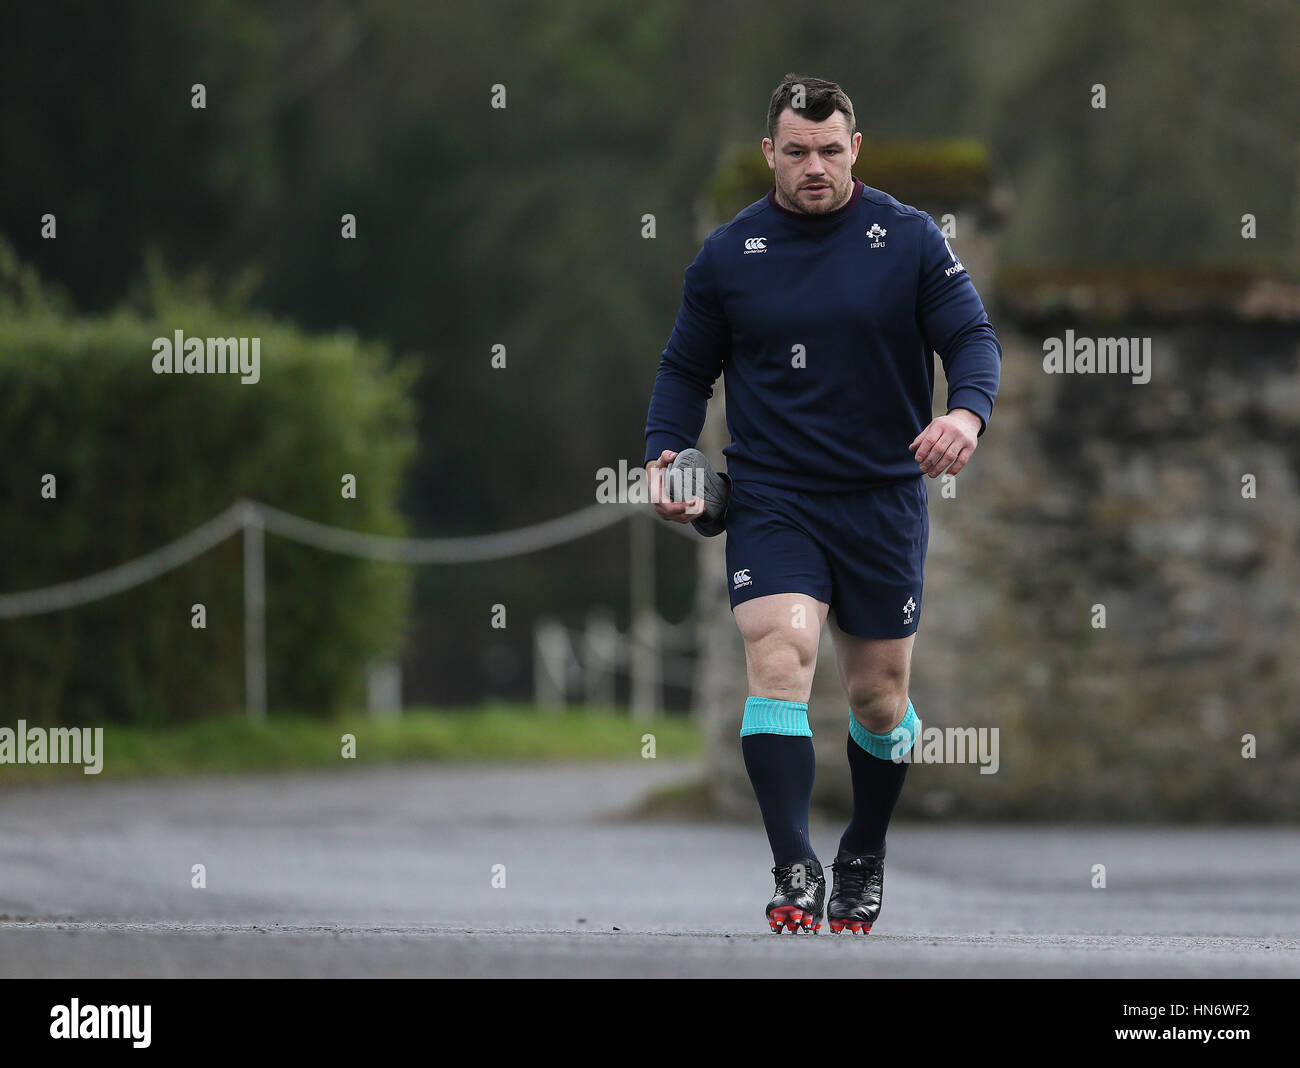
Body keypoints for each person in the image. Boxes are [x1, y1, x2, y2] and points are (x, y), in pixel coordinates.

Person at [642, 73, 1002, 934]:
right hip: (773, 494)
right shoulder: (729, 255)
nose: (814, 167)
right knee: (780, 654)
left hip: (881, 497)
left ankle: (864, 852)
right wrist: (666, 451)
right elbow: (685, 369)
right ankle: (794, 867)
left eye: (829, 151)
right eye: (796, 151)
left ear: (856, 149)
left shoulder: (911, 239)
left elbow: (971, 338)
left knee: (879, 697)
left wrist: (964, 412)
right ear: (770, 152)